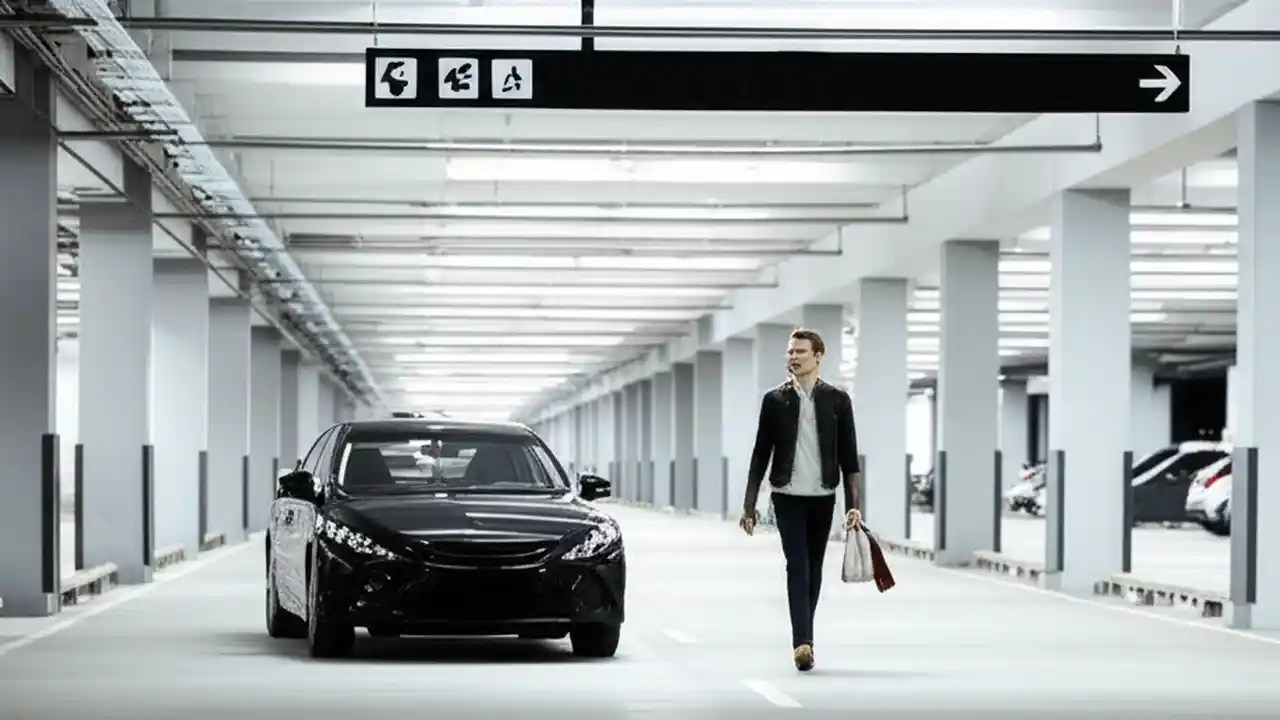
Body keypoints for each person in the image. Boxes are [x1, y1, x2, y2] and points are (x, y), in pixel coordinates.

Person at [738, 327, 862, 672]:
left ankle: (805, 634)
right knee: (797, 563)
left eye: (800, 352)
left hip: (823, 496)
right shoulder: (775, 400)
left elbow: (850, 459)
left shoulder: (837, 400)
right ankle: (802, 643)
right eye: (790, 352)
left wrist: (853, 505)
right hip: (787, 496)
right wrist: (749, 505)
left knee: (814, 567)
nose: (792, 357)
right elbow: (760, 454)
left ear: (818, 356)